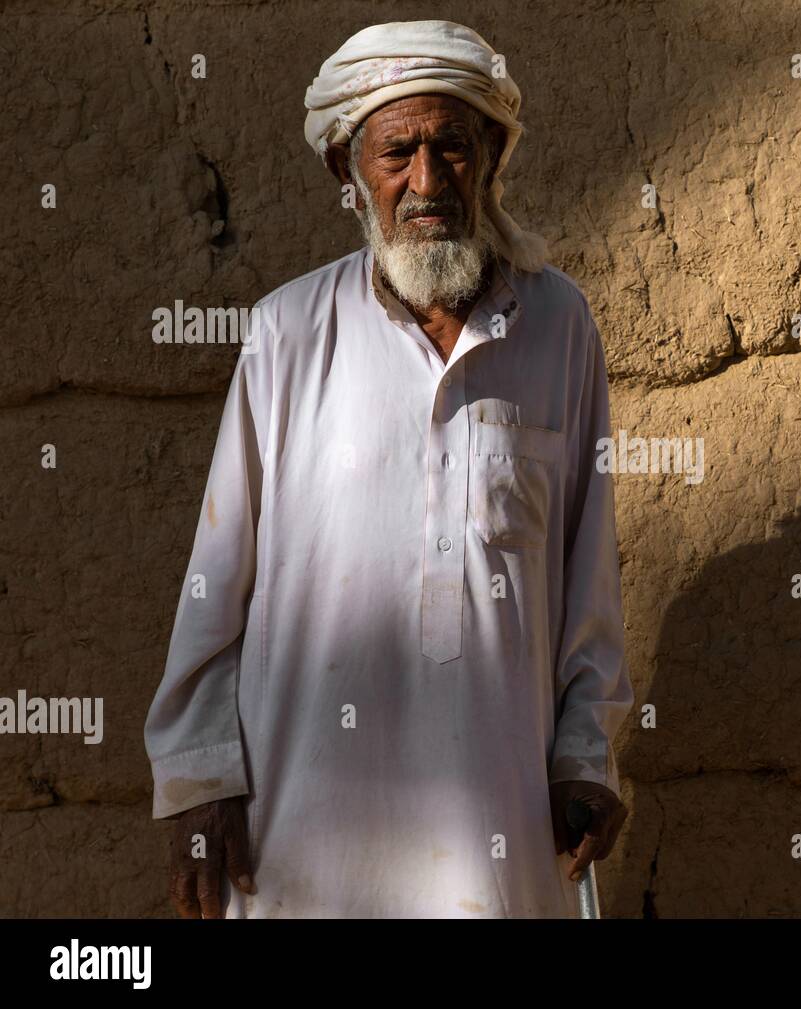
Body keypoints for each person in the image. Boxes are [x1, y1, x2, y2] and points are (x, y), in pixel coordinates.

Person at [143, 19, 634, 918]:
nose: (426, 181)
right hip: (303, 835)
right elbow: (217, 582)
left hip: (498, 834)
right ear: (348, 170)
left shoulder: (560, 329)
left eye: (452, 147)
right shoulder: (286, 336)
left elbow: (589, 570)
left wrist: (587, 756)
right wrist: (197, 777)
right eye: (395, 152)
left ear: (490, 154)